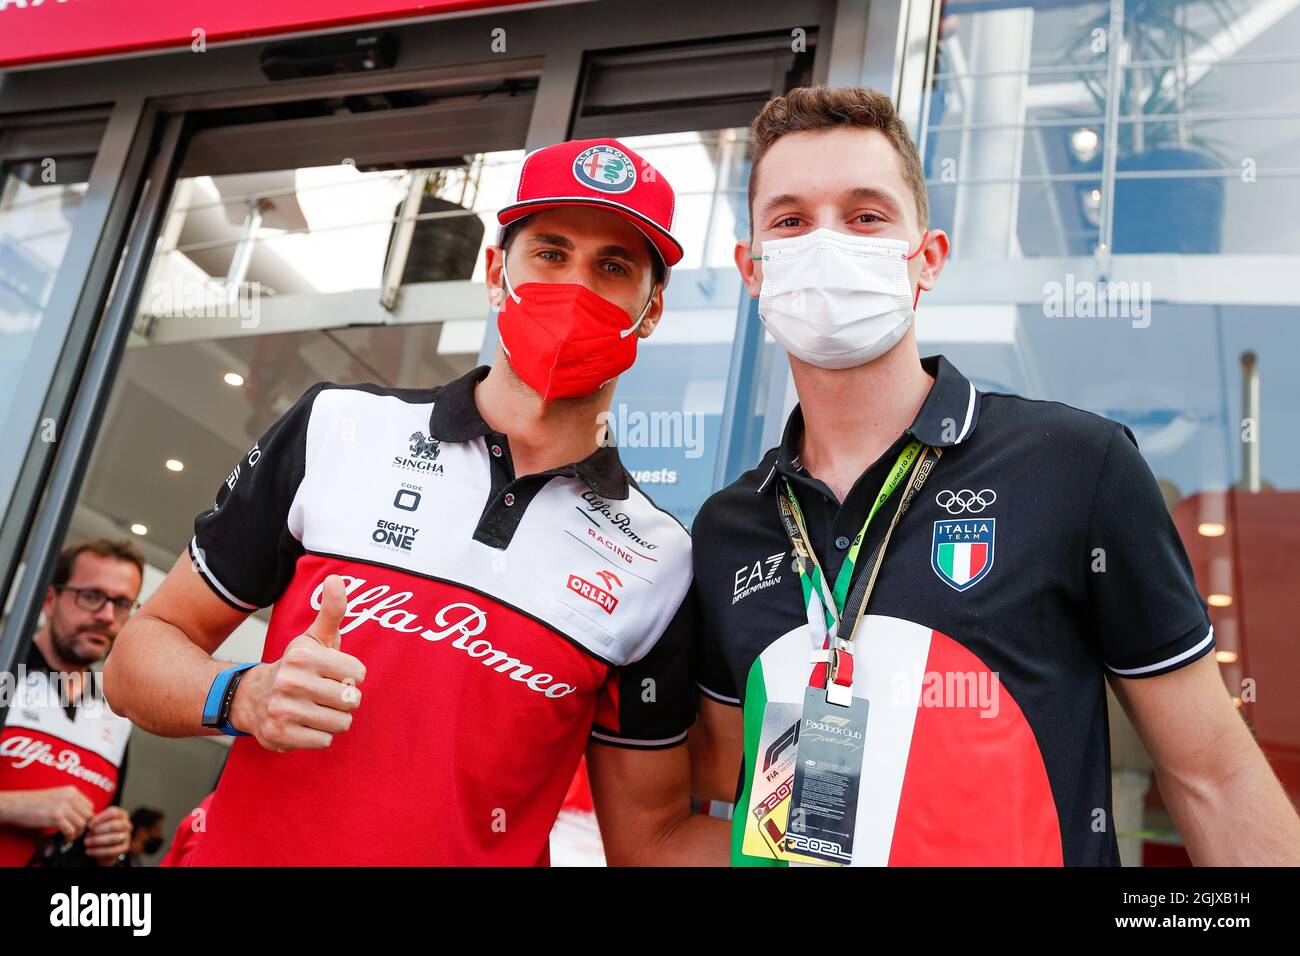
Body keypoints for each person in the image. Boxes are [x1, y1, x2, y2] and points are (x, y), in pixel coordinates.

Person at [688, 85, 1300, 866]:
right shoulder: (726, 529)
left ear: (929, 258)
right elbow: (719, 791)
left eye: (867, 215)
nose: (828, 243)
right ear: (752, 269)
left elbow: (1213, 774)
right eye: (790, 221)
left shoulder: (1077, 467)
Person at [104, 137, 727, 866]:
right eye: (551, 254)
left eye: (613, 267)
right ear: (496, 272)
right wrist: (241, 695)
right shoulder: (339, 426)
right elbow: (135, 661)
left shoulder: (661, 559)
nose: (576, 289)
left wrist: (857, 842)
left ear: (649, 312)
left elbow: (650, 841)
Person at [0, 539, 142, 866]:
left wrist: (114, 841)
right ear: (50, 600)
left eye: (121, 603)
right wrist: (11, 806)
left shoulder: (117, 709)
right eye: (91, 597)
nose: (107, 616)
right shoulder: (6, 670)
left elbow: (104, 821)